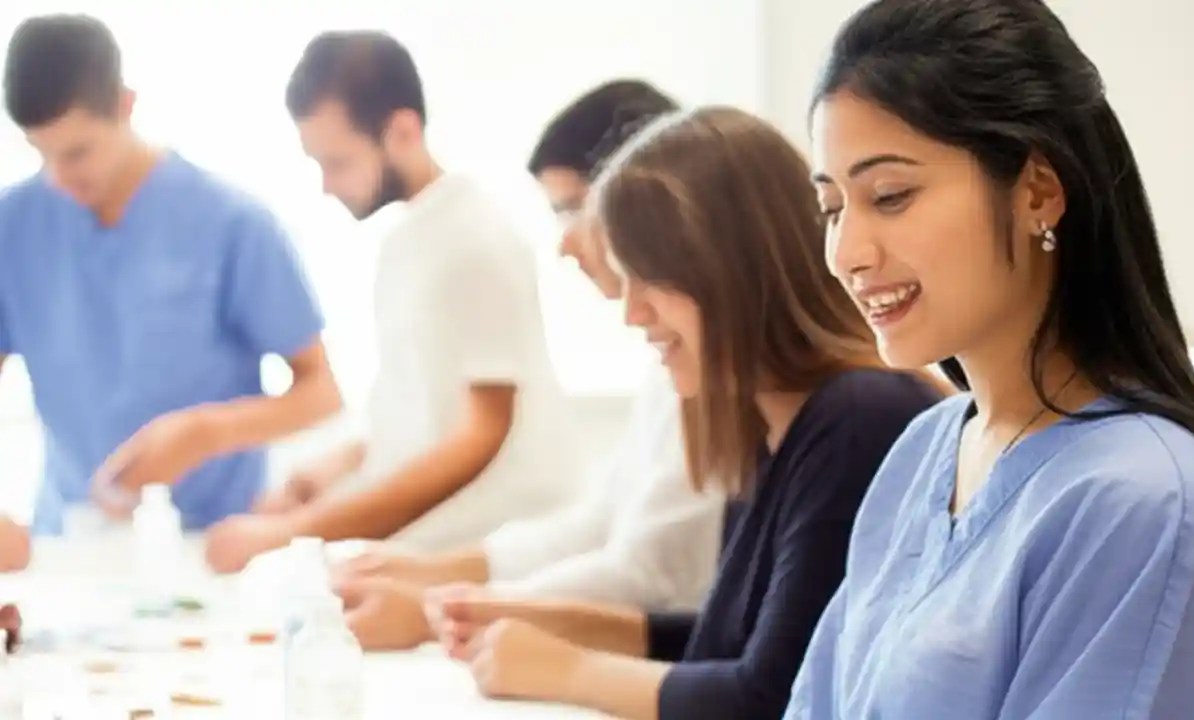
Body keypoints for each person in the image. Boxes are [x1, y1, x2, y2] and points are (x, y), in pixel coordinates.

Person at [784, 1, 1194, 718]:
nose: (847, 254)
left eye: (890, 196)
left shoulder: (1147, 507)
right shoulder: (925, 450)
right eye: (832, 208)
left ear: (1038, 191)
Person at [427, 107, 944, 720]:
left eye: (651, 281)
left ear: (730, 271)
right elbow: (731, 643)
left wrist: (571, 670)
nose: (632, 314)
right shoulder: (774, 423)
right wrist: (535, 617)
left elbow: (768, 696)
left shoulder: (859, 418)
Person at [332, 80, 728, 650]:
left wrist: (439, 607)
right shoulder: (669, 359)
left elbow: (652, 575)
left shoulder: (710, 364)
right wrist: (435, 574)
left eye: (573, 209)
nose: (565, 245)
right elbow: (601, 522)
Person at [204, 31, 578, 573]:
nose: (327, 186)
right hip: (439, 553)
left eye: (337, 161)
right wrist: (339, 468)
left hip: (498, 558)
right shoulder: (411, 237)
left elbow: (480, 434)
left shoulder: (474, 239)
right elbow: (426, 411)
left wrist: (290, 535)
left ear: (402, 130)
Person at [0, 15, 340, 546]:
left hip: (215, 550)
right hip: (69, 547)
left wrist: (206, 432)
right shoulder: (14, 228)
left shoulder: (232, 224)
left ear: (125, 105)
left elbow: (321, 392)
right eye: (40, 153)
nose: (59, 179)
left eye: (77, 152)